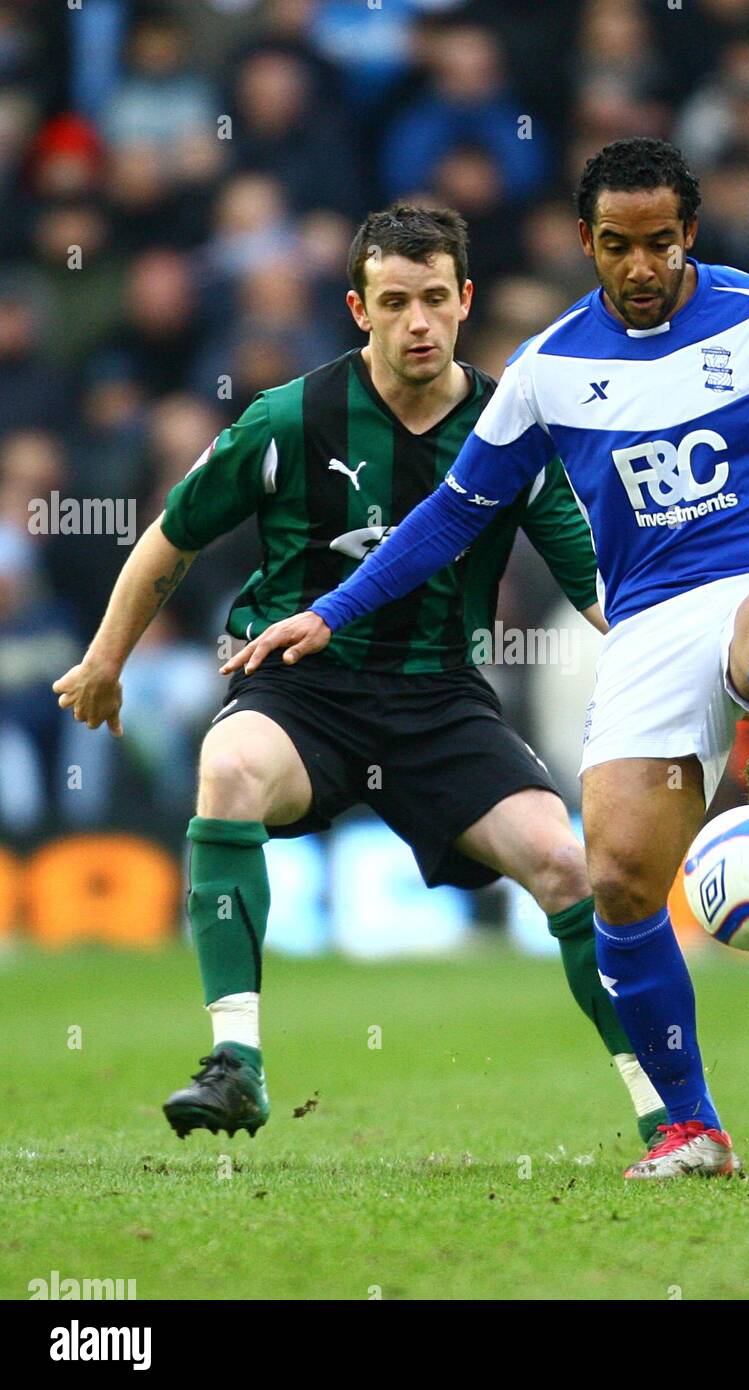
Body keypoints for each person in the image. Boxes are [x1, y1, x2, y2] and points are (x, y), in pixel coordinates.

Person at [226, 141, 749, 1181]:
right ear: (585, 242)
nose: (639, 266)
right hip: (649, 623)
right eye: (617, 246)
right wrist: (334, 606)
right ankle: (692, 1127)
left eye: (659, 244)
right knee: (618, 882)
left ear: (688, 237)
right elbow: (451, 515)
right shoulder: (544, 371)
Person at [53, 205, 667, 1147]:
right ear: (358, 308)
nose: (417, 322)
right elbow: (170, 542)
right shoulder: (289, 418)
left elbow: (598, 591)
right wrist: (103, 662)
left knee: (565, 863)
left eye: (434, 299)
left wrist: (690, 666)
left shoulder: (514, 434)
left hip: (441, 702)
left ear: (465, 301)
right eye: (394, 302)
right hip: (302, 689)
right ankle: (236, 1065)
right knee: (228, 772)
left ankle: (666, 1111)